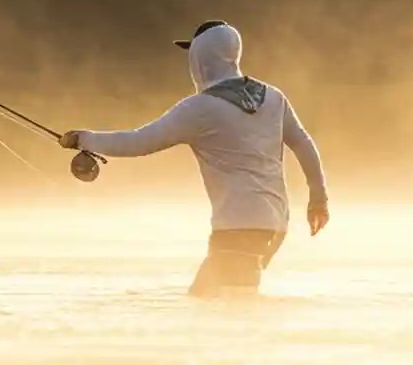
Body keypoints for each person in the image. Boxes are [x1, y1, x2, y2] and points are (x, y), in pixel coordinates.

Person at [58, 20, 329, 297]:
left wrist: (84, 138)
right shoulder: (274, 97)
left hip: (237, 228)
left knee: (232, 310)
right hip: (273, 224)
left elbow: (139, 141)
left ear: (201, 56)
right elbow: (303, 143)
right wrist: (319, 199)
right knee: (205, 299)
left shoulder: (199, 109)